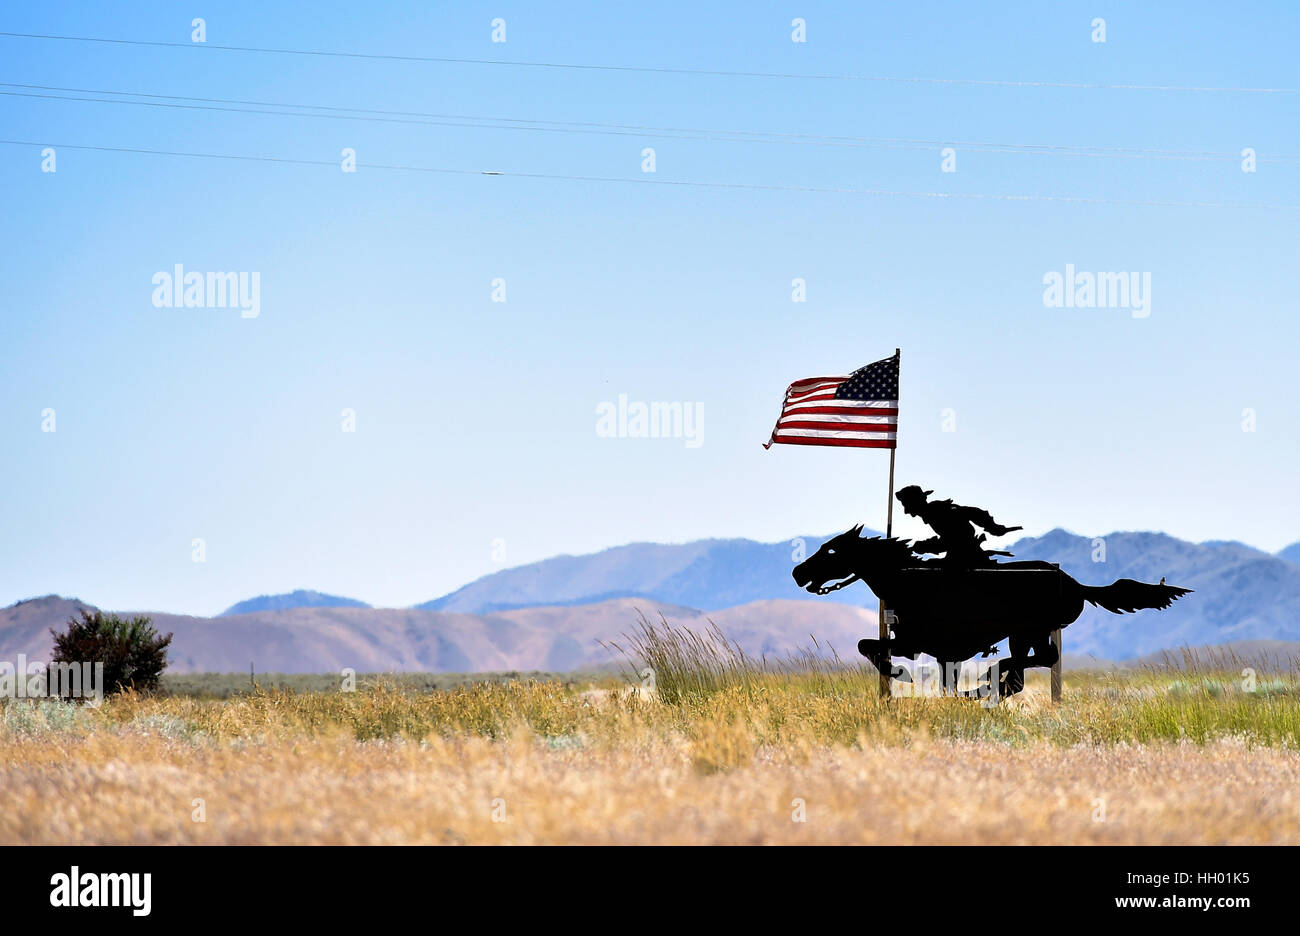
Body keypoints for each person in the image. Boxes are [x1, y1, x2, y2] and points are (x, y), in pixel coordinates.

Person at [895, 485, 1023, 567]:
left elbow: (952, 540)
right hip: (960, 555)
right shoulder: (936, 512)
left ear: (916, 503)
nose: (906, 511)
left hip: (964, 557)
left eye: (907, 505)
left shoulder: (938, 514)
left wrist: (923, 546)